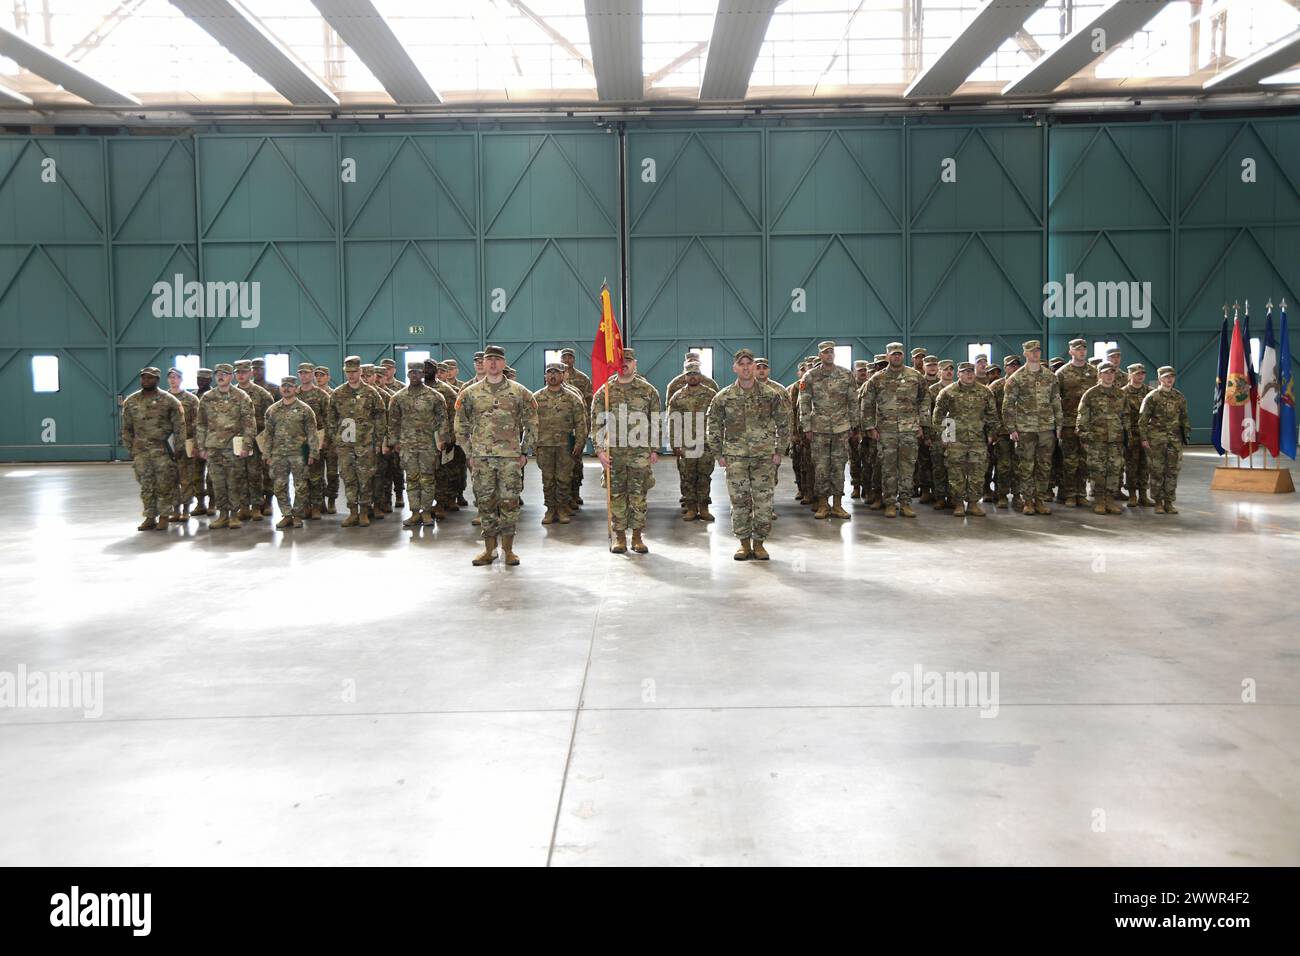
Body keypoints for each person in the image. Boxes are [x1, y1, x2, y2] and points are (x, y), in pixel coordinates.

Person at [455, 345, 538, 565]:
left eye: (496, 360)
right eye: (488, 359)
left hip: (510, 458)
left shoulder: (519, 392)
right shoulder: (470, 393)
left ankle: (508, 550)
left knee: (509, 502)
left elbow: (532, 422)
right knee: (486, 503)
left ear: (503, 363)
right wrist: (469, 453)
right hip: (482, 459)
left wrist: (524, 449)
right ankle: (489, 550)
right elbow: (460, 425)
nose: (492, 363)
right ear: (482, 363)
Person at [707, 349, 790, 560]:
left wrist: (780, 450)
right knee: (739, 502)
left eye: (749, 363)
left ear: (755, 367)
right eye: (741, 364)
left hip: (764, 457)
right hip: (735, 458)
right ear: (734, 368)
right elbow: (713, 424)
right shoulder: (724, 397)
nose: (745, 367)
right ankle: (743, 543)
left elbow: (784, 423)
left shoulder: (771, 395)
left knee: (764, 502)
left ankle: (760, 543)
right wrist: (718, 452)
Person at [592, 348, 660, 554]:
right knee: (617, 496)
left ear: (635, 363)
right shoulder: (605, 391)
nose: (625, 364)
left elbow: (656, 421)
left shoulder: (648, 391)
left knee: (638, 495)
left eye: (628, 361)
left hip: (640, 453)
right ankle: (619, 537)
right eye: (621, 361)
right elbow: (596, 422)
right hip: (615, 454)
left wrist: (654, 449)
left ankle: (637, 537)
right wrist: (599, 450)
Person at [860, 342, 928, 518]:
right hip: (886, 430)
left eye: (899, 354)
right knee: (888, 468)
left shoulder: (915, 376)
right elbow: (867, 404)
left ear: (903, 355)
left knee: (907, 467)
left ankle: (905, 503)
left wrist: (922, 424)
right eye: (893, 354)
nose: (896, 356)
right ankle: (889, 502)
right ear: (887, 355)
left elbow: (924, 400)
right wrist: (869, 427)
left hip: (909, 430)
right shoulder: (877, 379)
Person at [797, 341, 859, 519]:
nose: (829, 355)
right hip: (819, 429)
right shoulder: (810, 376)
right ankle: (823, 504)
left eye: (831, 352)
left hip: (841, 428)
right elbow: (804, 403)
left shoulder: (846, 374)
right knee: (821, 467)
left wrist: (854, 426)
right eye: (825, 352)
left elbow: (853, 402)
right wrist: (806, 427)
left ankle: (838, 505)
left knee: (839, 466)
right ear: (820, 355)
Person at [388, 361, 452, 528]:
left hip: (428, 445)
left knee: (428, 479)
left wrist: (443, 440)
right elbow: (393, 422)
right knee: (412, 479)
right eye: (411, 373)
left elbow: (442, 420)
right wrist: (393, 442)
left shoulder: (435, 396)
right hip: (407, 446)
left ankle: (427, 512)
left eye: (417, 372)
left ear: (423, 374)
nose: (414, 375)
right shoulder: (398, 397)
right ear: (407, 374)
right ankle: (415, 513)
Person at [120, 367, 185, 531]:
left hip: (161, 449)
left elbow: (179, 426)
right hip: (141, 451)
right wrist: (131, 448)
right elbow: (126, 428)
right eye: (144, 378)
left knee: (164, 483)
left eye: (151, 378)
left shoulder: (169, 400)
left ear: (157, 380)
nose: (146, 381)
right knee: (146, 484)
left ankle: (164, 516)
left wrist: (179, 447)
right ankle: (150, 516)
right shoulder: (131, 401)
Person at [1003, 340, 1062, 515]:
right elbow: (1008, 405)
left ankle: (1040, 500)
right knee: (1026, 466)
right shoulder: (1016, 378)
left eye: (1038, 350)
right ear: (1025, 354)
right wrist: (1011, 428)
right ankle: (1028, 500)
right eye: (1032, 351)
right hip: (1025, 429)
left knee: (1044, 466)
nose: (1036, 353)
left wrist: (1058, 424)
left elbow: (1056, 402)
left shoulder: (1050, 377)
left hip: (1046, 429)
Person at [328, 356, 387, 528]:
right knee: (348, 477)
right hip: (345, 445)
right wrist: (335, 439)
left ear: (360, 371)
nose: (351, 375)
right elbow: (331, 418)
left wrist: (378, 441)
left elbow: (380, 416)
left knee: (365, 478)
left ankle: (364, 512)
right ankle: (352, 512)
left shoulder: (371, 393)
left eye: (354, 372)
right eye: (348, 372)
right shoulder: (338, 394)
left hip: (365, 444)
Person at [933, 362, 997, 516]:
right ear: (959, 374)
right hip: (956, 439)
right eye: (965, 372)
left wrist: (990, 434)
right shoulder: (948, 392)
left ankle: (973, 503)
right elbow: (938, 416)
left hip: (978, 439)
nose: (969, 374)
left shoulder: (985, 392)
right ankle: (958, 503)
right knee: (956, 473)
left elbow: (992, 415)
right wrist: (944, 436)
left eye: (971, 372)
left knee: (978, 472)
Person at [196, 363, 256, 529]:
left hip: (233, 446)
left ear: (231, 376)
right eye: (218, 374)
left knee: (234, 481)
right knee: (217, 482)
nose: (220, 376)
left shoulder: (241, 396)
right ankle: (222, 515)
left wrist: (247, 445)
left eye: (224, 374)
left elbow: (249, 423)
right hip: (213, 447)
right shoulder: (207, 397)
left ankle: (234, 515)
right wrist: (201, 447)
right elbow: (201, 424)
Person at [533, 362, 588, 525]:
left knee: (564, 478)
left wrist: (580, 442)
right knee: (548, 479)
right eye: (549, 373)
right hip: (544, 445)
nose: (552, 376)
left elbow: (581, 422)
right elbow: (529, 422)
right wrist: (532, 443)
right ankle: (550, 509)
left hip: (565, 445)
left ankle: (562, 508)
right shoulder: (537, 398)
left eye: (556, 373)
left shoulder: (572, 398)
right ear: (545, 376)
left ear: (563, 375)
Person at [264, 377, 321, 528]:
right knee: (279, 486)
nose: (286, 389)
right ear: (280, 388)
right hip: (278, 455)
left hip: (299, 454)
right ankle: (287, 514)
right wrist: (267, 454)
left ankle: (297, 515)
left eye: (290, 386)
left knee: (301, 486)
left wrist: (312, 454)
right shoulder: (273, 410)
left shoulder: (305, 409)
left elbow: (312, 434)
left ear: (296, 389)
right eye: (284, 386)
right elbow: (268, 434)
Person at [667, 362, 717, 521]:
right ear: (685, 376)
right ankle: (691, 508)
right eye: (689, 374)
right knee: (688, 476)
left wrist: (717, 441)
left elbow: (717, 418)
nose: (693, 376)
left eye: (695, 373)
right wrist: (675, 443)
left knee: (704, 476)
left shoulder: (711, 394)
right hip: (686, 442)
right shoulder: (678, 396)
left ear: (700, 375)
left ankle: (703, 507)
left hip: (706, 443)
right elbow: (672, 421)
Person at [1076, 363, 1128, 515]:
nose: (1109, 375)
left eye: (1112, 373)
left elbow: (1126, 416)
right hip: (1096, 440)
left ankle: (1110, 500)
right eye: (1106, 373)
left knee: (1114, 470)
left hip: (1116, 440)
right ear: (1099, 375)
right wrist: (1085, 437)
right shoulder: (1091, 394)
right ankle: (1099, 500)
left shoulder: (1120, 394)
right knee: (1097, 470)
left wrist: (1126, 437)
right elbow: (1082, 418)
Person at [1139, 366, 1189, 514]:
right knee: (1157, 471)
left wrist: (1185, 436)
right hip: (1156, 440)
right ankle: (1158, 502)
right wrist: (1144, 438)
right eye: (1166, 377)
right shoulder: (1152, 396)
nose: (1169, 380)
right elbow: (1143, 420)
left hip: (1174, 440)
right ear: (1160, 378)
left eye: (1172, 377)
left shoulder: (1179, 397)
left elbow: (1184, 418)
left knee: (1172, 472)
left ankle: (1169, 501)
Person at [1055, 338, 1097, 507]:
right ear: (1071, 351)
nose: (1081, 351)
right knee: (1069, 461)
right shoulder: (1062, 373)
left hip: (1089, 424)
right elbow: (1056, 400)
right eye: (1077, 349)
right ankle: (1069, 494)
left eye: (1083, 349)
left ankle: (1081, 493)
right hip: (1068, 424)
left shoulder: (1094, 372)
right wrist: (1058, 424)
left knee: (1084, 461)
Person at [233, 359, 273, 521]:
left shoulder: (262, 394)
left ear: (250, 373)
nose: (241, 375)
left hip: (257, 440)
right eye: (238, 373)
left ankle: (257, 506)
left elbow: (271, 418)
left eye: (244, 372)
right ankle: (243, 507)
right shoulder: (230, 393)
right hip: (236, 441)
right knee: (239, 475)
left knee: (255, 474)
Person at [293, 362, 330, 519]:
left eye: (307, 373)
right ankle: (305, 505)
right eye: (301, 373)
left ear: (312, 374)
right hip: (298, 441)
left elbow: (329, 419)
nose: (304, 376)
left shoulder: (321, 395)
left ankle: (316, 506)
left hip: (316, 438)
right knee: (301, 475)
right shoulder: (294, 394)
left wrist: (326, 439)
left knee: (316, 475)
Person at [560, 347, 595, 509]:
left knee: (576, 461)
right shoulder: (556, 377)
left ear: (573, 359)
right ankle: (564, 497)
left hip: (577, 426)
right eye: (564, 357)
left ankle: (575, 493)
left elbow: (589, 401)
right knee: (562, 463)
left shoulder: (582, 378)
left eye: (569, 357)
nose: (567, 360)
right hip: (559, 428)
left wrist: (585, 425)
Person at [165, 366, 200, 521]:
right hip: (168, 444)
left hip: (186, 443)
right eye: (171, 377)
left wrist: (197, 445)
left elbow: (198, 423)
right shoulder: (162, 398)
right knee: (171, 478)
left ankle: (186, 509)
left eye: (176, 377)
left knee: (187, 478)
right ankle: (175, 509)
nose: (173, 380)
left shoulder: (191, 399)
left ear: (181, 379)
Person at [989, 354, 1021, 508]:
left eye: (1016, 365)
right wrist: (992, 432)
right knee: (1003, 465)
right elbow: (990, 411)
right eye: (1011, 365)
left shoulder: (1024, 383)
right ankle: (1001, 495)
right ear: (1005, 367)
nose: (1014, 367)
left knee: (1020, 466)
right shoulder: (996, 386)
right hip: (1002, 433)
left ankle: (1017, 495)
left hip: (1022, 432)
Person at [1122, 363, 1154, 506]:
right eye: (1137, 374)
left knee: (1145, 465)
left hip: (1146, 435)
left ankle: (1143, 495)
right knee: (1131, 465)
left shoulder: (1150, 392)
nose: (1140, 376)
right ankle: (1132, 495)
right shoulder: (1122, 393)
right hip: (1131, 434)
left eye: (1142, 374)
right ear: (1130, 375)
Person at [925, 359, 955, 509]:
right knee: (938, 467)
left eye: (951, 369)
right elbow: (927, 414)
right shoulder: (932, 390)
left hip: (955, 433)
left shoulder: (959, 388)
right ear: (939, 372)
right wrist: (928, 435)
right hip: (938, 433)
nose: (949, 372)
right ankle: (940, 496)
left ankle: (953, 496)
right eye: (945, 369)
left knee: (954, 467)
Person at [313, 365, 340, 512]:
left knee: (331, 473)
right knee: (316, 473)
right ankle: (320, 501)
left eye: (322, 375)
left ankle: (331, 500)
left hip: (330, 439)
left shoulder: (335, 394)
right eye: (317, 375)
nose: (319, 378)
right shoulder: (310, 393)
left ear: (328, 377)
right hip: (315, 439)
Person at [192, 367, 214, 515]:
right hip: (195, 441)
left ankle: (213, 503)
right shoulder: (191, 397)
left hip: (211, 441)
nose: (201, 382)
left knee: (212, 476)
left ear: (210, 380)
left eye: (204, 379)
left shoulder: (215, 396)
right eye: (199, 379)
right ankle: (200, 503)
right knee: (196, 475)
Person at [849, 360, 871, 499]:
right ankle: (856, 486)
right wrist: (853, 430)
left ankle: (868, 489)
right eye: (860, 370)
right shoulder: (850, 387)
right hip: (855, 430)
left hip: (869, 430)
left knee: (869, 461)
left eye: (865, 370)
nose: (863, 373)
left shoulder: (872, 386)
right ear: (854, 372)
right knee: (855, 460)